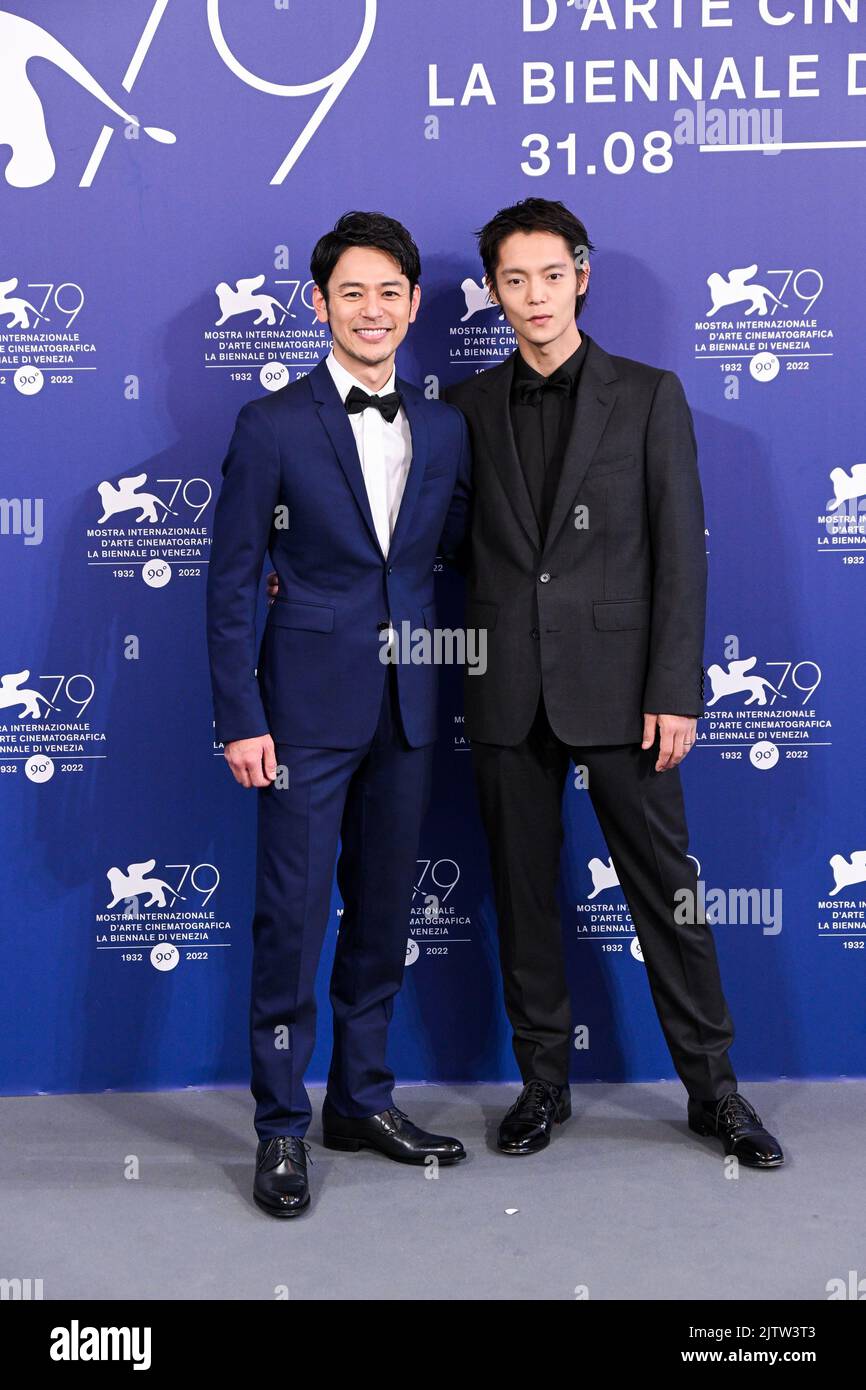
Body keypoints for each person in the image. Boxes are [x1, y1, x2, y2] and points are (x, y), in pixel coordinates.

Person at [443, 198, 784, 1168]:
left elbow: (681, 555)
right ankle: (541, 1085)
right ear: (494, 291)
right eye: (513, 279)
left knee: (667, 893)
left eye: (550, 274)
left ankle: (712, 1091)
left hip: (627, 691)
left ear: (579, 275)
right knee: (522, 895)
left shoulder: (648, 395)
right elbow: (430, 543)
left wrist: (674, 688)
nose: (533, 295)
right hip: (505, 687)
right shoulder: (462, 410)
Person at [206, 211, 471, 1218]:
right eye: (350, 292)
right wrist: (241, 715)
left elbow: (447, 559)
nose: (372, 309)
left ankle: (360, 1100)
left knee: (382, 920)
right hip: (300, 715)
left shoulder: (443, 426)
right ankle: (281, 1128)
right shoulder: (269, 424)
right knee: (292, 923)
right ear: (318, 304)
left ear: (413, 304)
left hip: (408, 703)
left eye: (389, 292)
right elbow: (232, 581)